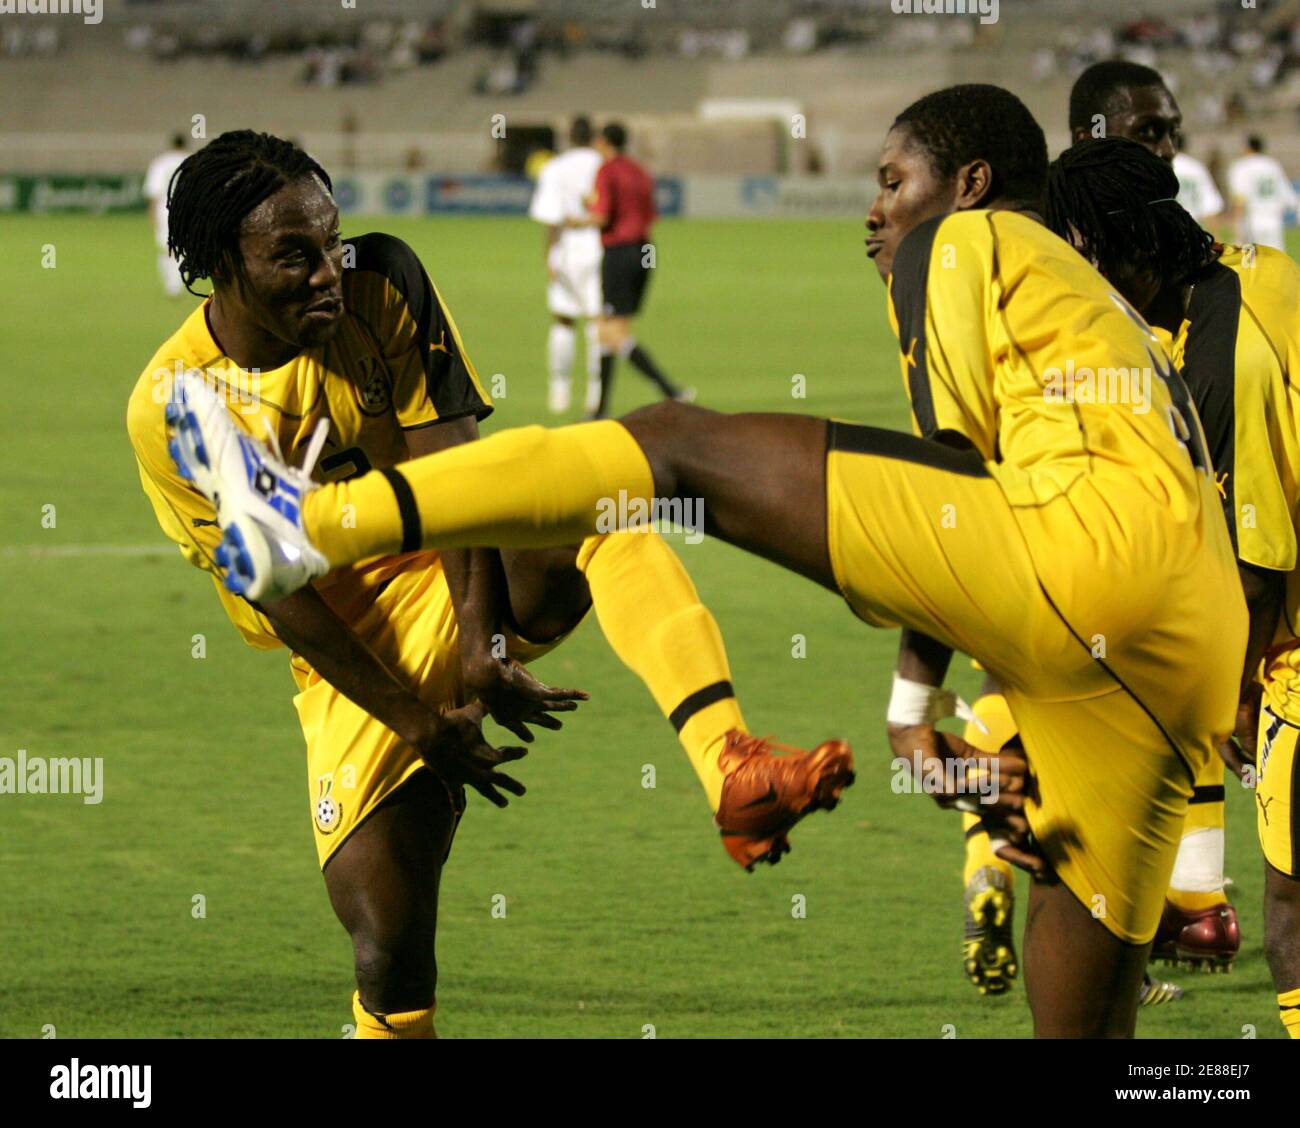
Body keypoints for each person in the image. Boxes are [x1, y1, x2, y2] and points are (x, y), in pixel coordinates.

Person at [166, 86, 1247, 1037]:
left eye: (889, 179)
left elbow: (955, 476)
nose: (874, 209)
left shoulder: (965, 242)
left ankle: (311, 522)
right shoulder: (1109, 316)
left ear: (965, 183)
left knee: (671, 446)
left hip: (1071, 555)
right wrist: (924, 708)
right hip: (1182, 644)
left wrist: (913, 698)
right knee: (1092, 1009)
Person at [127, 131, 852, 1040]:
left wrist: (484, 641)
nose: (327, 274)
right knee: (387, 951)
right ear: (218, 263)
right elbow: (285, 598)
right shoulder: (173, 404)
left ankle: (729, 762)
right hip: (346, 656)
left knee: (601, 505)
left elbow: (457, 473)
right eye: (294, 257)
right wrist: (419, 722)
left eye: (330, 242)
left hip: (456, 569)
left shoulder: (381, 279)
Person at [956, 60, 1244, 1004]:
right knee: (1112, 708)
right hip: (1079, 523)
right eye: (1149, 131)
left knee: (1058, 714)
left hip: (1082, 529)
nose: (1169, 148)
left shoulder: (1113, 235)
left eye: (1172, 132)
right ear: (1089, 132)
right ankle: (1172, 904)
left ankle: (1023, 881)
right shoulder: (1057, 251)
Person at [1046, 136, 1300, 1038]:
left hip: (1292, 648)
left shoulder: (1229, 356)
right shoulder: (1250, 270)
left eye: (1086, 255)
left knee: (1289, 910)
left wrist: (1227, 702)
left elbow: (1261, 559)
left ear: (1128, 245)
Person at [583, 122, 692, 418]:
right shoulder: (639, 170)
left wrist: (576, 219)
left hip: (620, 251)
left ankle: (672, 390)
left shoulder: (607, 171)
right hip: (646, 251)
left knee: (612, 331)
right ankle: (600, 411)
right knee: (606, 328)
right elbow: (650, 214)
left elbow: (602, 216)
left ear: (604, 142)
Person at [527, 116, 603, 415]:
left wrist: (549, 256)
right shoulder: (603, 164)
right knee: (598, 322)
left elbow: (550, 218)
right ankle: (596, 394)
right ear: (593, 136)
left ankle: (559, 391)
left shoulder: (555, 167)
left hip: (567, 246)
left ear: (569, 137)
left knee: (563, 320)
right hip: (600, 246)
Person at [1228, 135, 1298, 252]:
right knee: (1276, 258)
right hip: (1274, 219)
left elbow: (1239, 198)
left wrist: (1237, 230)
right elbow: (1287, 195)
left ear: (1247, 148)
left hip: (1252, 220)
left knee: (1252, 262)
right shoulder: (1272, 164)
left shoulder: (1241, 166)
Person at [143, 133, 188, 298]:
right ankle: (175, 283)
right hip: (185, 210)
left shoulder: (161, 162)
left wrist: (152, 213)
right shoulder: (192, 161)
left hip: (164, 210)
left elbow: (153, 191)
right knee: (181, 248)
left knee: (165, 248)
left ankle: (172, 283)